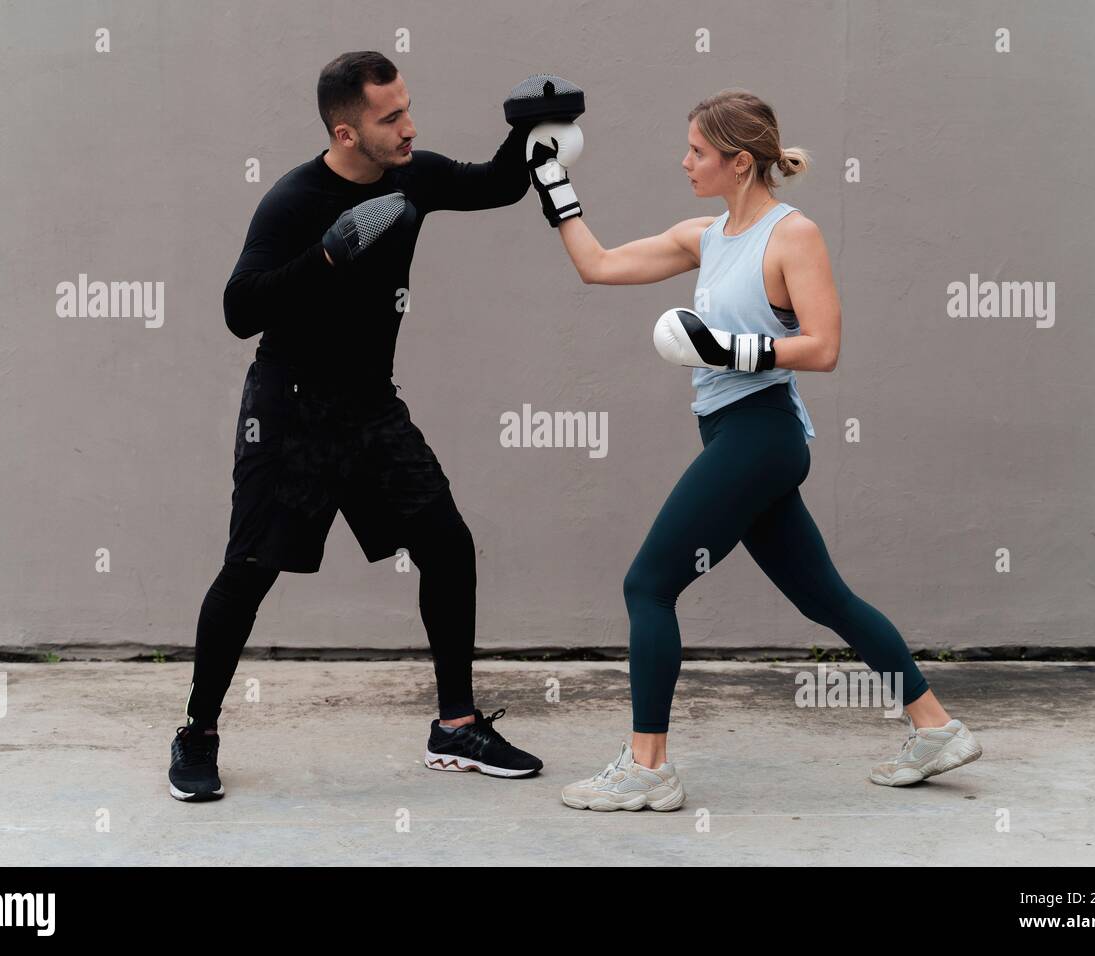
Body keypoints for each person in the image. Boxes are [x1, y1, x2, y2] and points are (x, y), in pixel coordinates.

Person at [518, 87, 983, 811]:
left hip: (762, 434)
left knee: (648, 585)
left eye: (697, 152)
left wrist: (731, 349)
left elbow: (823, 347)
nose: (685, 162)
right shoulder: (704, 236)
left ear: (738, 162)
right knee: (824, 596)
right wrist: (552, 180)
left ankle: (649, 767)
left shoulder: (793, 235)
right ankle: (936, 727)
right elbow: (599, 265)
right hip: (735, 435)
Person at [169, 52, 551, 801]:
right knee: (249, 570)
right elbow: (238, 309)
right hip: (291, 410)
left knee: (447, 542)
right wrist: (328, 255)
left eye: (408, 108)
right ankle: (198, 732)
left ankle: (455, 727)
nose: (410, 127)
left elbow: (500, 184)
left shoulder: (415, 174)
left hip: (371, 407)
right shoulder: (293, 201)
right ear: (346, 132)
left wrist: (530, 126)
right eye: (390, 118)